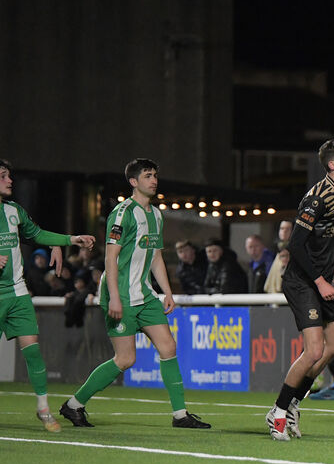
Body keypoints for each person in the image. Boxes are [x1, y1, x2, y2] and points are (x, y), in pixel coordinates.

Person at [59, 158, 210, 430]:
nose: (154, 180)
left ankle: (180, 415)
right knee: (126, 359)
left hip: (145, 294)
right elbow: (110, 259)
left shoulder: (157, 214)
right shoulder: (122, 213)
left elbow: (155, 258)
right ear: (133, 182)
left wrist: (167, 291)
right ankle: (74, 405)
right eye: (148, 175)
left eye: (155, 175)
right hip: (122, 295)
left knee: (168, 347)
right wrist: (114, 297)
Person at [263, 138, 334, 441]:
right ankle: (277, 412)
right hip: (302, 280)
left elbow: (329, 236)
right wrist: (319, 280)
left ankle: (293, 403)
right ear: (333, 165)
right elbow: (296, 245)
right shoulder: (317, 198)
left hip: (321, 276)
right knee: (314, 349)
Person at [0, 159, 95, 430]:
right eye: (4, 176)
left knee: (33, 351)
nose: (10, 180)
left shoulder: (13, 211)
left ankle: (43, 408)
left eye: (9, 175)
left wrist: (70, 239)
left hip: (17, 293)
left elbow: (37, 234)